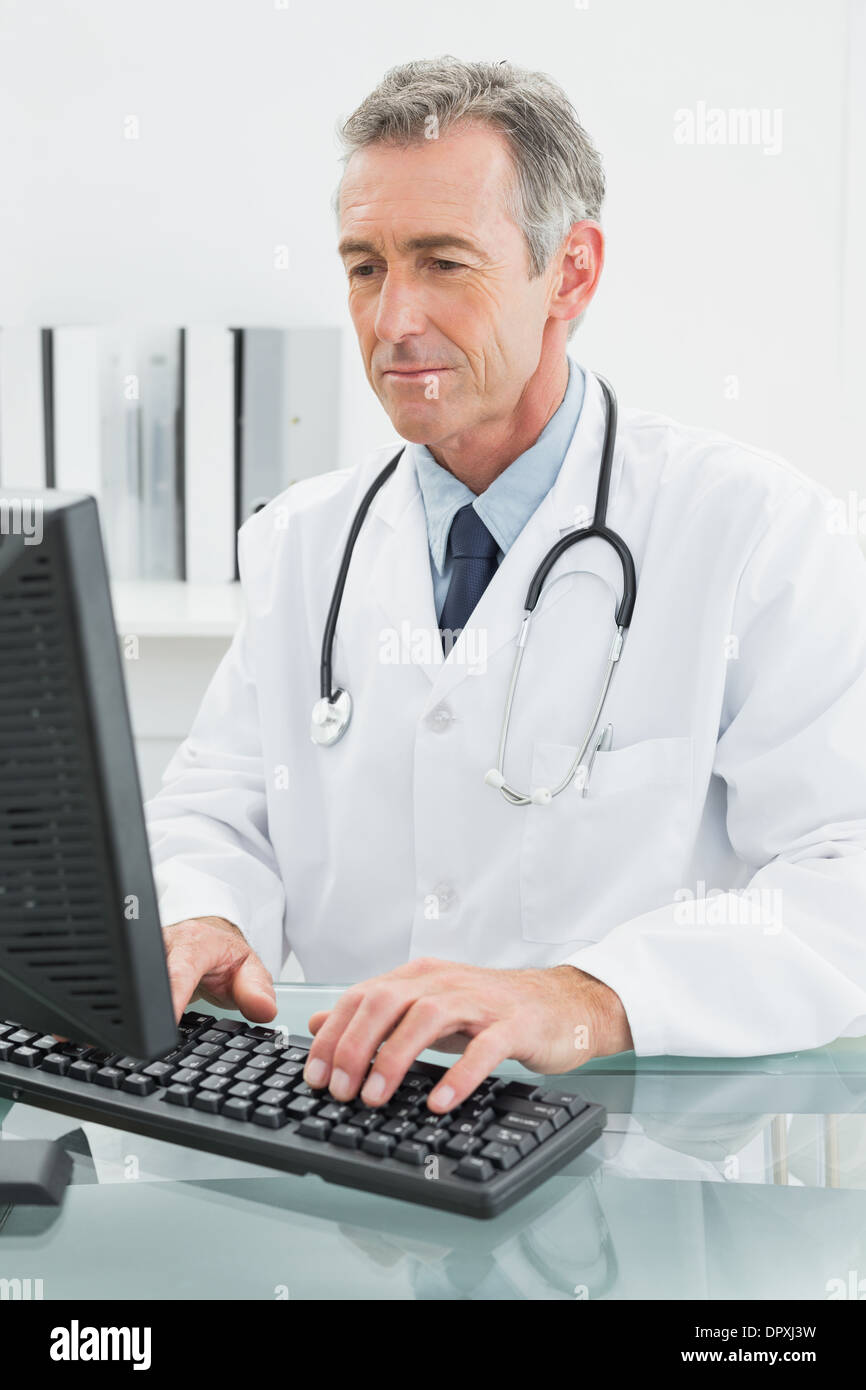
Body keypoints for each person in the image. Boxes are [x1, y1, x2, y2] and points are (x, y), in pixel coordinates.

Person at [146, 56, 866, 1117]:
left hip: (636, 1175)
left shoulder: (754, 530)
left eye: (441, 262)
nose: (392, 320)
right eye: (363, 267)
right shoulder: (302, 543)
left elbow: (840, 876)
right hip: (345, 1150)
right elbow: (217, 812)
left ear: (568, 274)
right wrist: (204, 914)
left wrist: (586, 996)